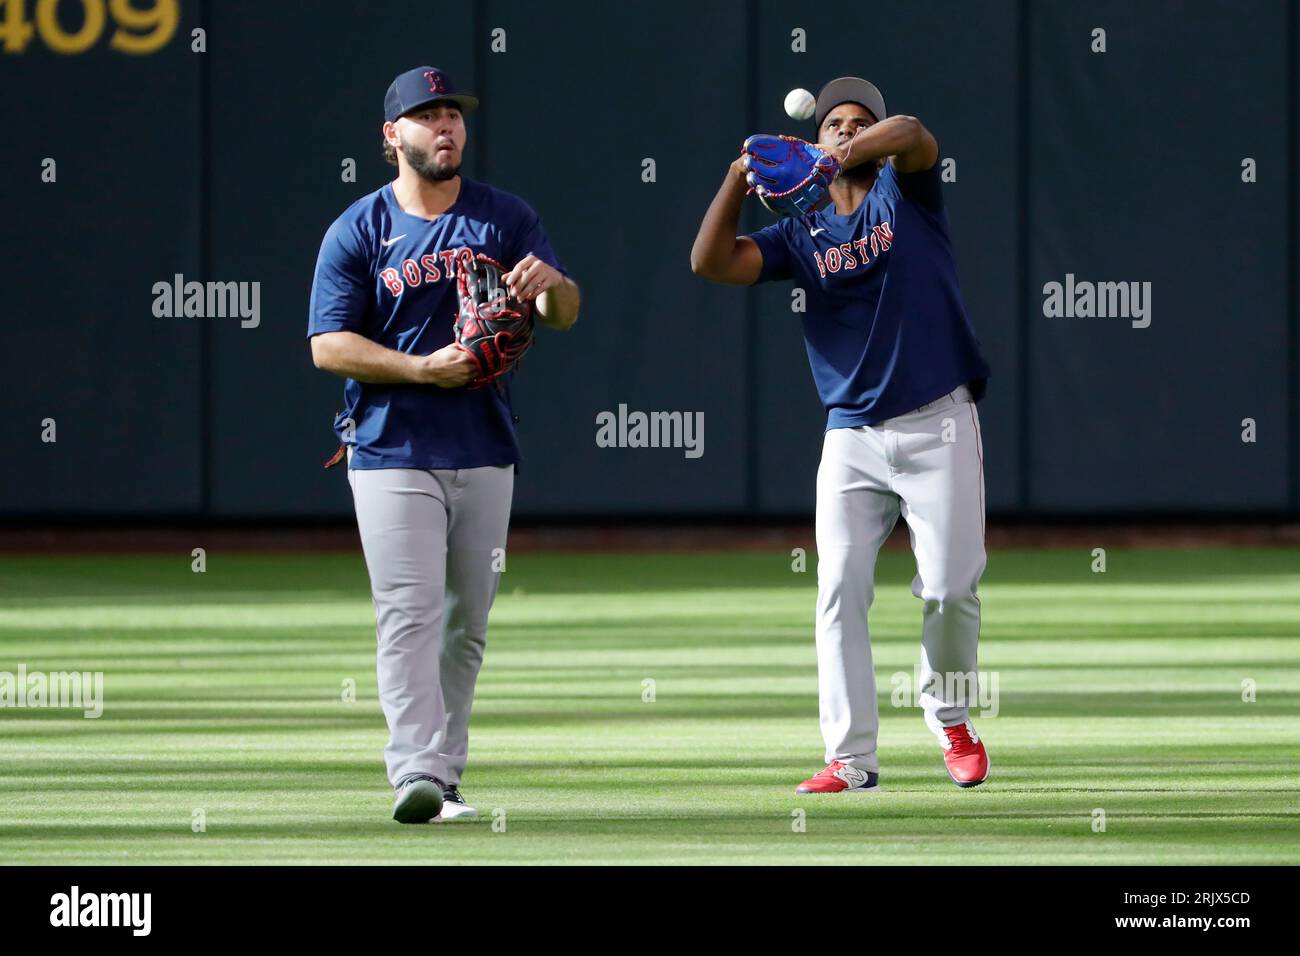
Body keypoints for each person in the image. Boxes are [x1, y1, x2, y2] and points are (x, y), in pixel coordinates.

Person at [690, 77, 992, 793]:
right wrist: (738, 174)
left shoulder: (907, 194)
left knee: (950, 588)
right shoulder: (800, 232)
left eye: (861, 123)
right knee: (838, 590)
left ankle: (950, 716)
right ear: (810, 138)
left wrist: (840, 155)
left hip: (938, 421)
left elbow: (915, 131)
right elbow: (709, 261)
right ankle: (851, 759)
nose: (850, 131)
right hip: (851, 435)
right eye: (835, 125)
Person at [308, 65, 580, 823]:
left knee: (467, 623)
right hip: (391, 448)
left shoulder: (506, 217)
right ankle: (414, 772)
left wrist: (551, 281)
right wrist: (421, 369)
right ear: (392, 136)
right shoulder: (358, 228)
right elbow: (328, 346)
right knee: (410, 610)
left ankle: (446, 775)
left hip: (485, 446)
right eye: (428, 115)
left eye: (453, 113)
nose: (447, 126)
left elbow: (565, 311)